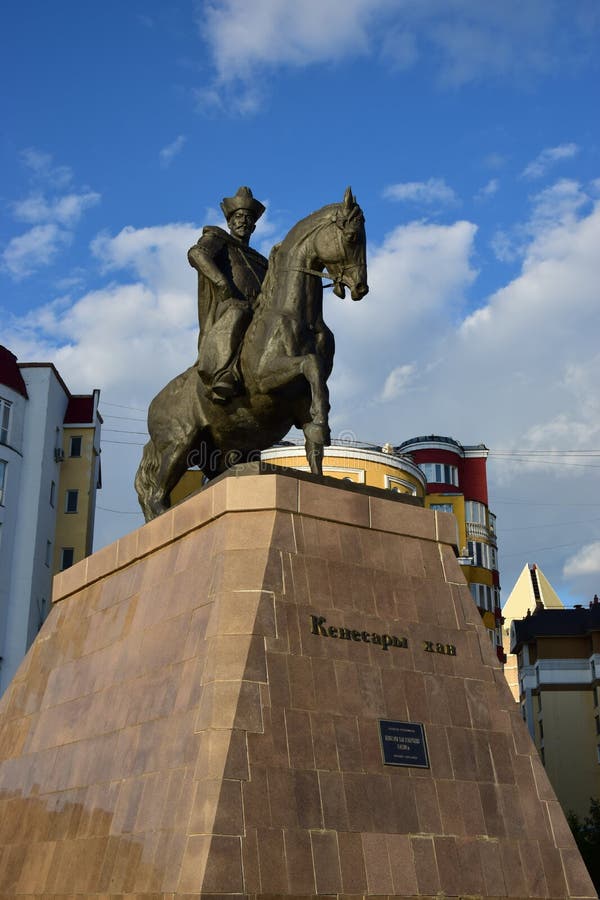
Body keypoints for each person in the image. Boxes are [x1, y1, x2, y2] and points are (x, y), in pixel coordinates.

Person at [188, 186, 268, 402]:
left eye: (249, 218)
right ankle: (223, 373)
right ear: (230, 221)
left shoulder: (261, 260)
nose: (244, 221)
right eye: (239, 216)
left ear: (254, 225)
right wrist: (222, 282)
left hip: (258, 309)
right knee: (238, 311)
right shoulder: (218, 238)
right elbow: (197, 253)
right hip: (228, 307)